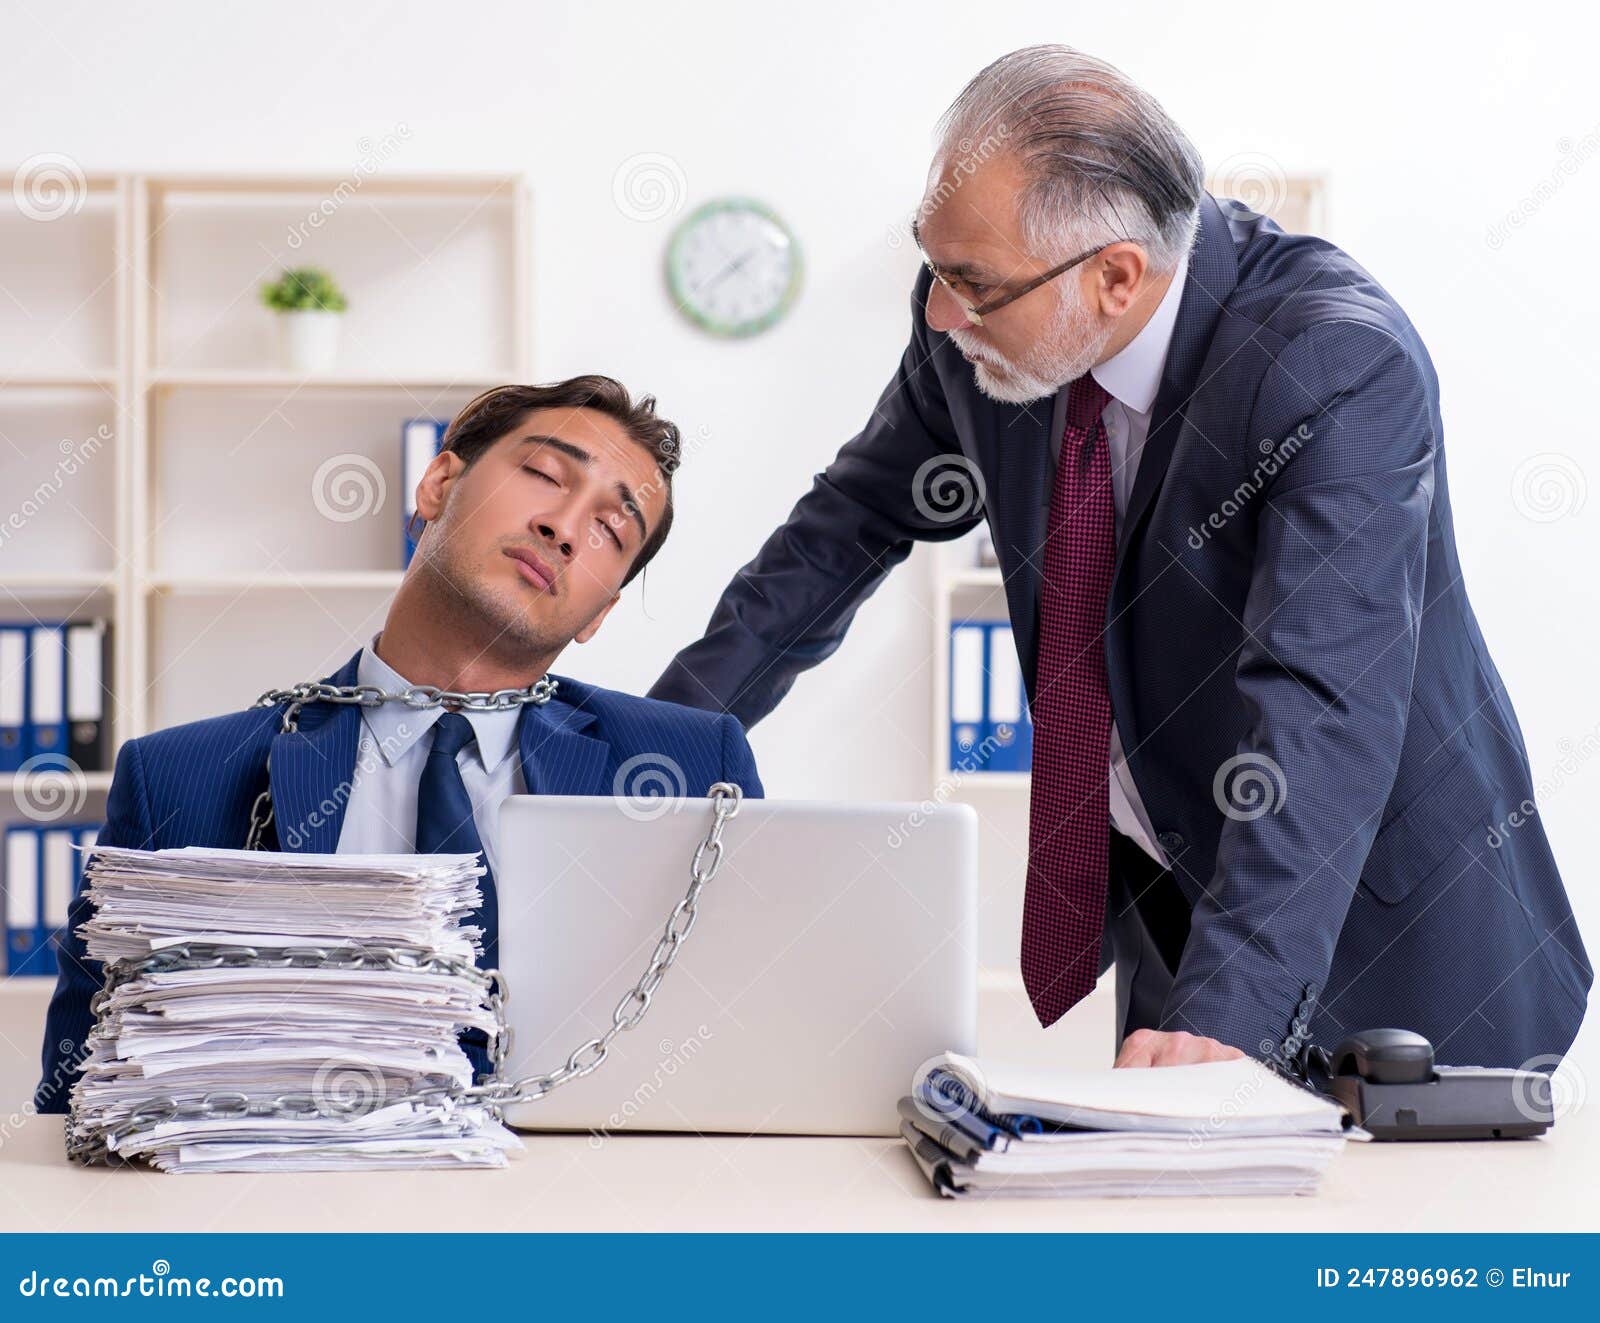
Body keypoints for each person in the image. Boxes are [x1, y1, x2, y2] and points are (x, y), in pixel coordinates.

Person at [651, 46, 1590, 1070]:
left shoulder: (1335, 362)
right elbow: (843, 529)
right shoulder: (976, 319)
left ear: (1116, 277)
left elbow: (1320, 707)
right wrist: (648, 758)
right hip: (1178, 903)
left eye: (971, 286)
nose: (938, 314)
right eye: (935, 267)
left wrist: (1225, 1017)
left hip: (1399, 949)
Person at [38, 375, 762, 1111]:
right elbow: (81, 1102)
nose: (566, 528)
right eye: (545, 475)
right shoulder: (177, 777)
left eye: (612, 528)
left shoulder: (694, 769)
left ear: (600, 612)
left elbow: (753, 1068)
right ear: (439, 484)